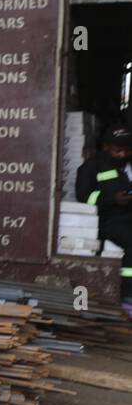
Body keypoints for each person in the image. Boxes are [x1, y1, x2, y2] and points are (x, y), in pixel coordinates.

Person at [75, 125, 132, 316]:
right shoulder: (91, 167)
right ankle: (127, 294)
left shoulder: (128, 164)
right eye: (118, 150)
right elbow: (84, 197)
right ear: (106, 147)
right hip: (107, 220)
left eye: (127, 150)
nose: (123, 154)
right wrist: (112, 199)